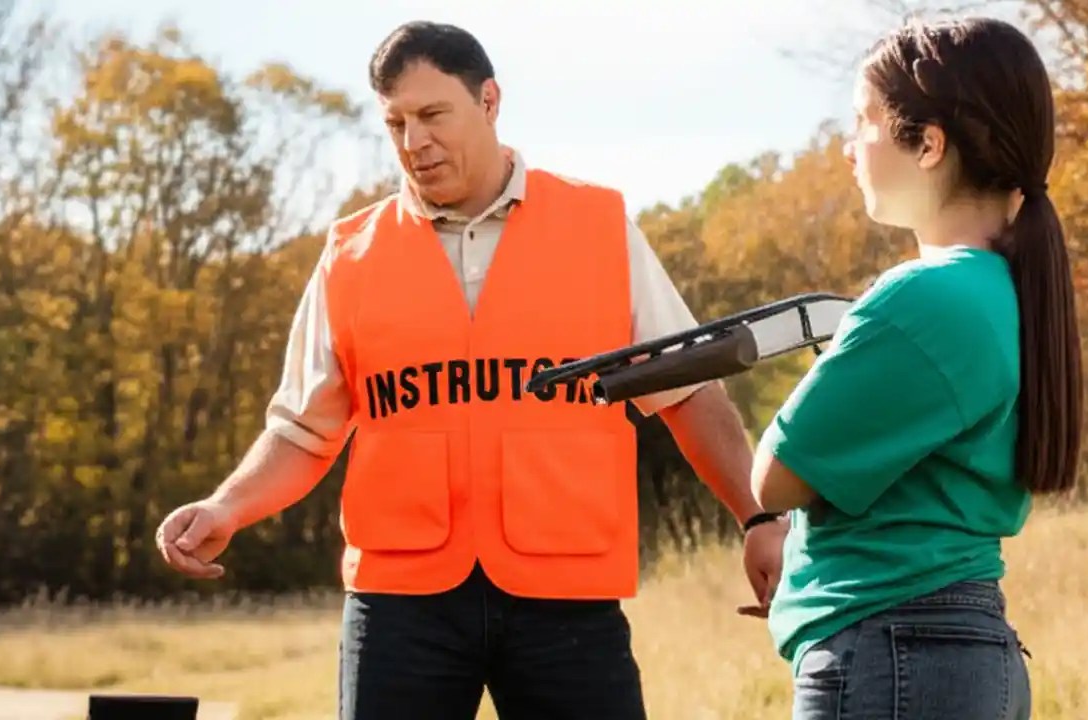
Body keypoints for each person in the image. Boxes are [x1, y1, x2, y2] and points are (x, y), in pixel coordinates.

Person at [154, 20, 788, 720]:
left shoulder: (598, 226)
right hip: (402, 605)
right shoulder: (350, 255)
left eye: (432, 115)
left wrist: (756, 517)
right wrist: (225, 506)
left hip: (566, 597)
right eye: (394, 122)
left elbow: (687, 390)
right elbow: (303, 430)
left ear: (489, 101)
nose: (412, 142)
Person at [747, 17, 1083, 720]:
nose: (848, 148)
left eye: (863, 122)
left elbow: (774, 476)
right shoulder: (1011, 292)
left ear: (928, 143)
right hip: (958, 651)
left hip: (892, 650)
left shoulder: (924, 295)